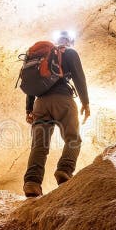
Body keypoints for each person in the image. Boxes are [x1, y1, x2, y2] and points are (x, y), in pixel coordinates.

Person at [23, 30, 90, 197]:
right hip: (63, 100)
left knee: (39, 145)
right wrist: (85, 103)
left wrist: (29, 109)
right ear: (69, 41)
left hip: (41, 104)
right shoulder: (69, 52)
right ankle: (64, 170)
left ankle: (32, 183)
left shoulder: (39, 58)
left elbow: (32, 85)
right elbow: (79, 77)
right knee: (72, 138)